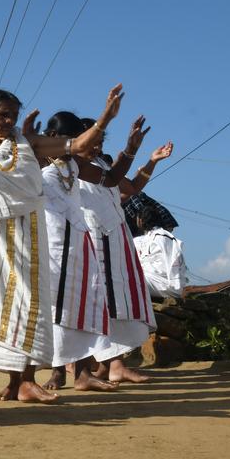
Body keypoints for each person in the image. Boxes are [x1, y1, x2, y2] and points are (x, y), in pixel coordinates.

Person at [0, 86, 120, 404]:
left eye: (13, 115)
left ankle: (26, 381)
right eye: (2, 115)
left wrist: (104, 119)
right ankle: (16, 380)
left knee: (30, 304)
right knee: (0, 307)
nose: (8, 121)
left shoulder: (28, 143)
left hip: (29, 236)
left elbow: (77, 145)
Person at [30, 109, 144, 392]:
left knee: (82, 306)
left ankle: (82, 373)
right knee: (54, 308)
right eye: (73, 138)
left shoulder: (75, 165)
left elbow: (113, 179)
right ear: (54, 138)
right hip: (49, 242)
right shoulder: (37, 158)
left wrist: (130, 150)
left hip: (79, 241)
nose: (78, 144)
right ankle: (57, 373)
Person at [77, 123, 172, 385]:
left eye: (99, 141)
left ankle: (112, 365)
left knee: (119, 299)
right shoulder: (69, 167)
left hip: (115, 238)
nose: (96, 146)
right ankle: (110, 365)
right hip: (88, 238)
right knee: (99, 300)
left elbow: (131, 189)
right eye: (91, 140)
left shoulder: (103, 166)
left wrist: (152, 161)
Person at [127, 193, 186, 299]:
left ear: (140, 220)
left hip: (163, 284)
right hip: (151, 280)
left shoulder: (163, 237)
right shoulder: (164, 237)